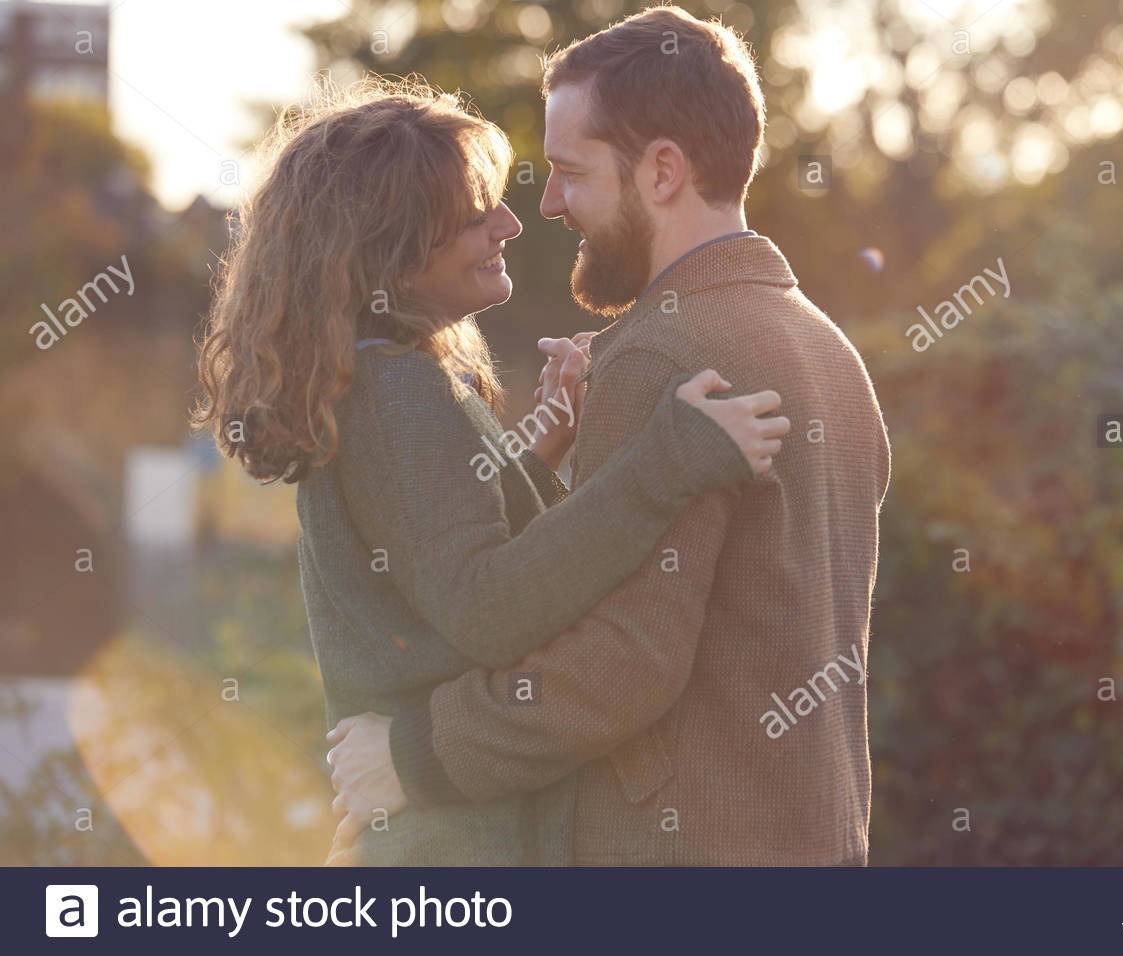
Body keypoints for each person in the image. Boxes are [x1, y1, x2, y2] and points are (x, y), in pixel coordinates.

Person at [327, 6, 891, 866]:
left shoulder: (662, 351)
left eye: (570, 172)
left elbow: (623, 662)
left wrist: (414, 754)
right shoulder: (826, 347)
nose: (548, 204)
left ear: (661, 170)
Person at [189, 75, 790, 865]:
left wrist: (544, 448)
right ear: (391, 252)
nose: (510, 223)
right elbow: (489, 607)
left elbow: (450, 553)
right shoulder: (395, 391)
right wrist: (669, 456)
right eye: (476, 217)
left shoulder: (387, 382)